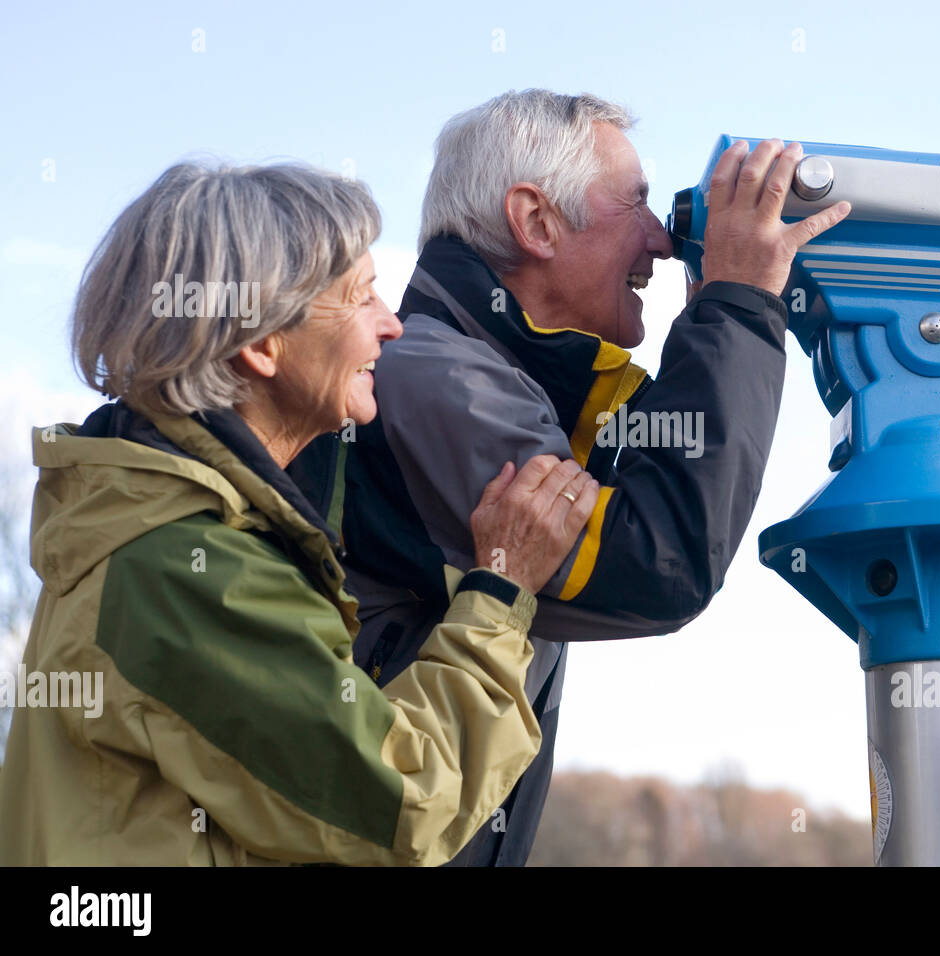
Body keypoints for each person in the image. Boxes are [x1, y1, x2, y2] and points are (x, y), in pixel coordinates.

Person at [289, 90, 851, 866]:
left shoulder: (517, 388)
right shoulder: (435, 376)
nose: (661, 239)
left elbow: (667, 474)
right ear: (537, 222)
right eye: (638, 203)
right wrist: (740, 307)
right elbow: (661, 563)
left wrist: (724, 315)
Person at [0, 161, 597, 865]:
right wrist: (499, 595)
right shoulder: (191, 571)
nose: (393, 326)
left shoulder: (153, 528)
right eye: (361, 297)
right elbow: (404, 797)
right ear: (261, 343)